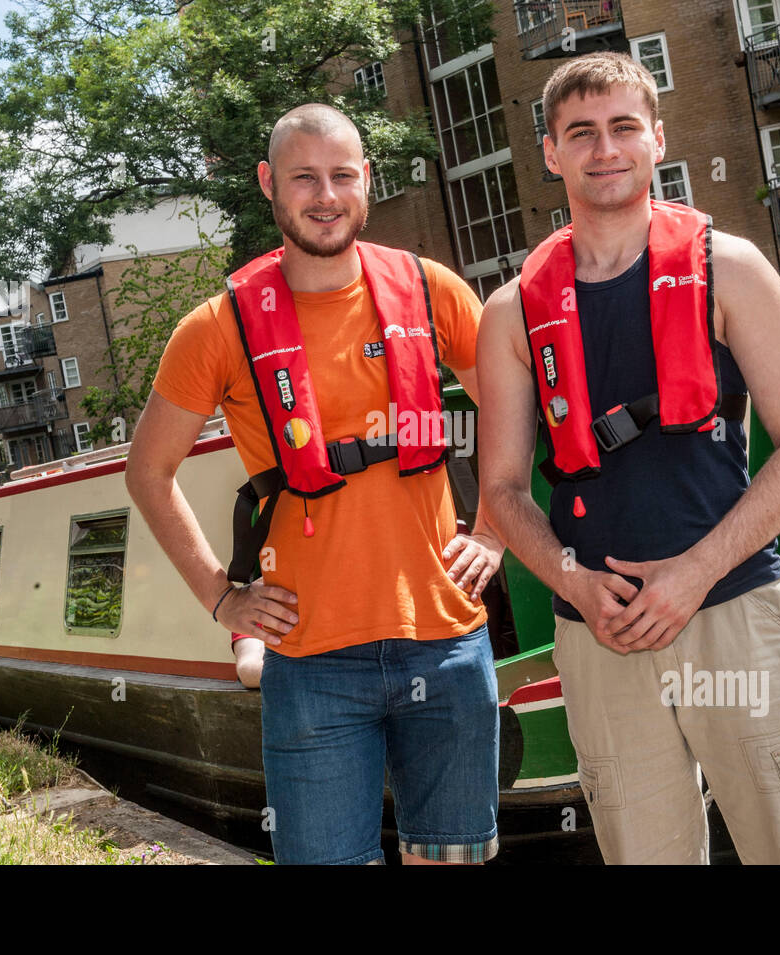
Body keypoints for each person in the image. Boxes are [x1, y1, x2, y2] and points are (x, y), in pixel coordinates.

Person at [477, 52, 780, 864]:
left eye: (622, 128)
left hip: (731, 617)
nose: (604, 149)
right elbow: (502, 490)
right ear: (551, 152)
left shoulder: (733, 268)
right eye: (581, 133)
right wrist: (573, 582)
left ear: (656, 138)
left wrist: (695, 572)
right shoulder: (511, 311)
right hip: (599, 635)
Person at [125, 104, 503, 866]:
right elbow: (148, 470)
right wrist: (221, 597)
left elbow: (509, 408)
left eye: (342, 175)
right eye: (305, 177)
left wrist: (492, 529)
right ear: (270, 184)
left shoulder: (433, 291)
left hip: (448, 644)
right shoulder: (217, 326)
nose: (325, 195)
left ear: (366, 180)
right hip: (312, 664)